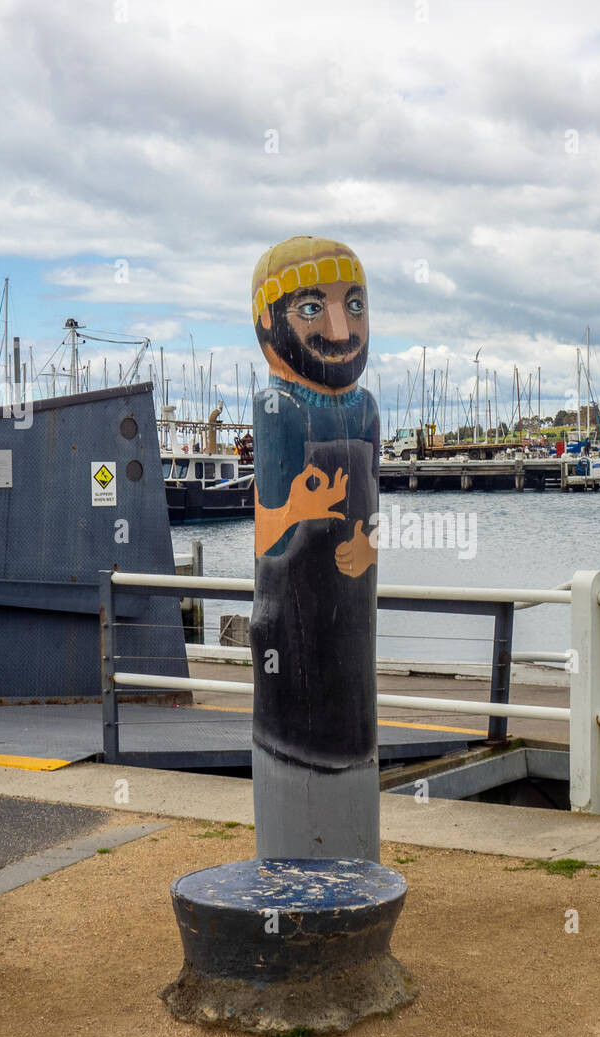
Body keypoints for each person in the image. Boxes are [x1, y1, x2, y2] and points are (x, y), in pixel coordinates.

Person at [248, 236, 380, 859]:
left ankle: (355, 860)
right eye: (312, 308)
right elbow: (267, 535)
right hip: (293, 608)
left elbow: (372, 509)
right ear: (268, 322)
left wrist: (368, 548)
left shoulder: (368, 410)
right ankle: (297, 864)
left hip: (352, 611)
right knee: (298, 717)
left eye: (353, 304)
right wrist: (297, 511)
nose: (339, 326)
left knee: (354, 708)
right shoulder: (278, 407)